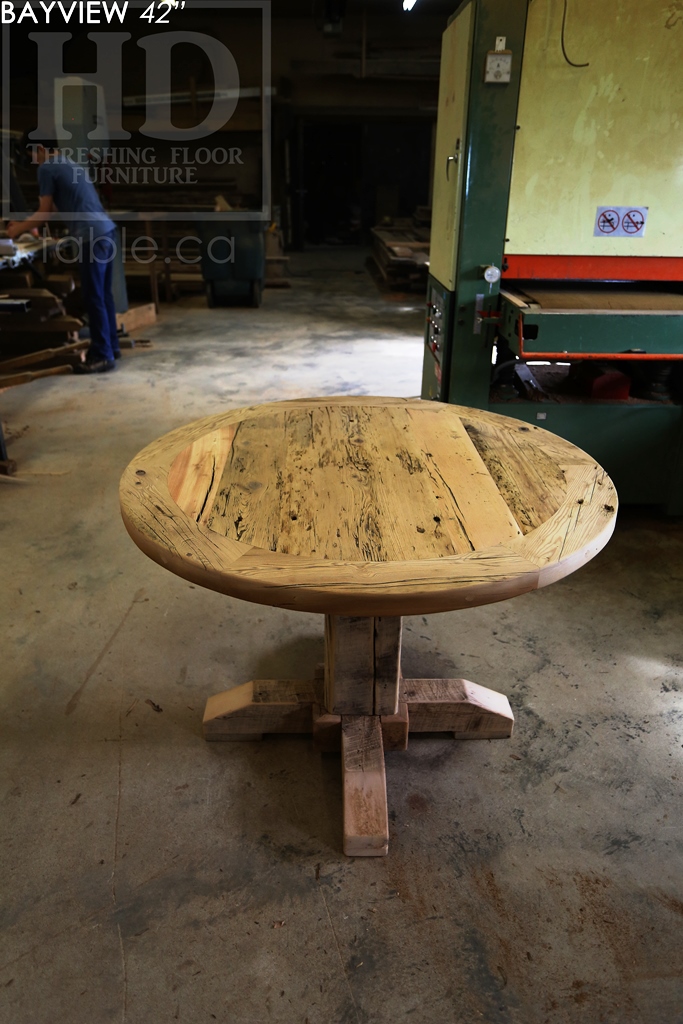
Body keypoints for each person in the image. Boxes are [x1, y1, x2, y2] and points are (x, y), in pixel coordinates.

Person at [7, 142, 120, 373]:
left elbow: (45, 211)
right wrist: (31, 224)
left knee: (93, 297)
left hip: (91, 237)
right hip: (106, 231)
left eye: (31, 155)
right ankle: (112, 348)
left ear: (39, 148)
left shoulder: (47, 168)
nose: (32, 160)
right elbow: (59, 207)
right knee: (103, 295)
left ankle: (102, 355)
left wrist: (16, 230)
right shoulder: (69, 163)